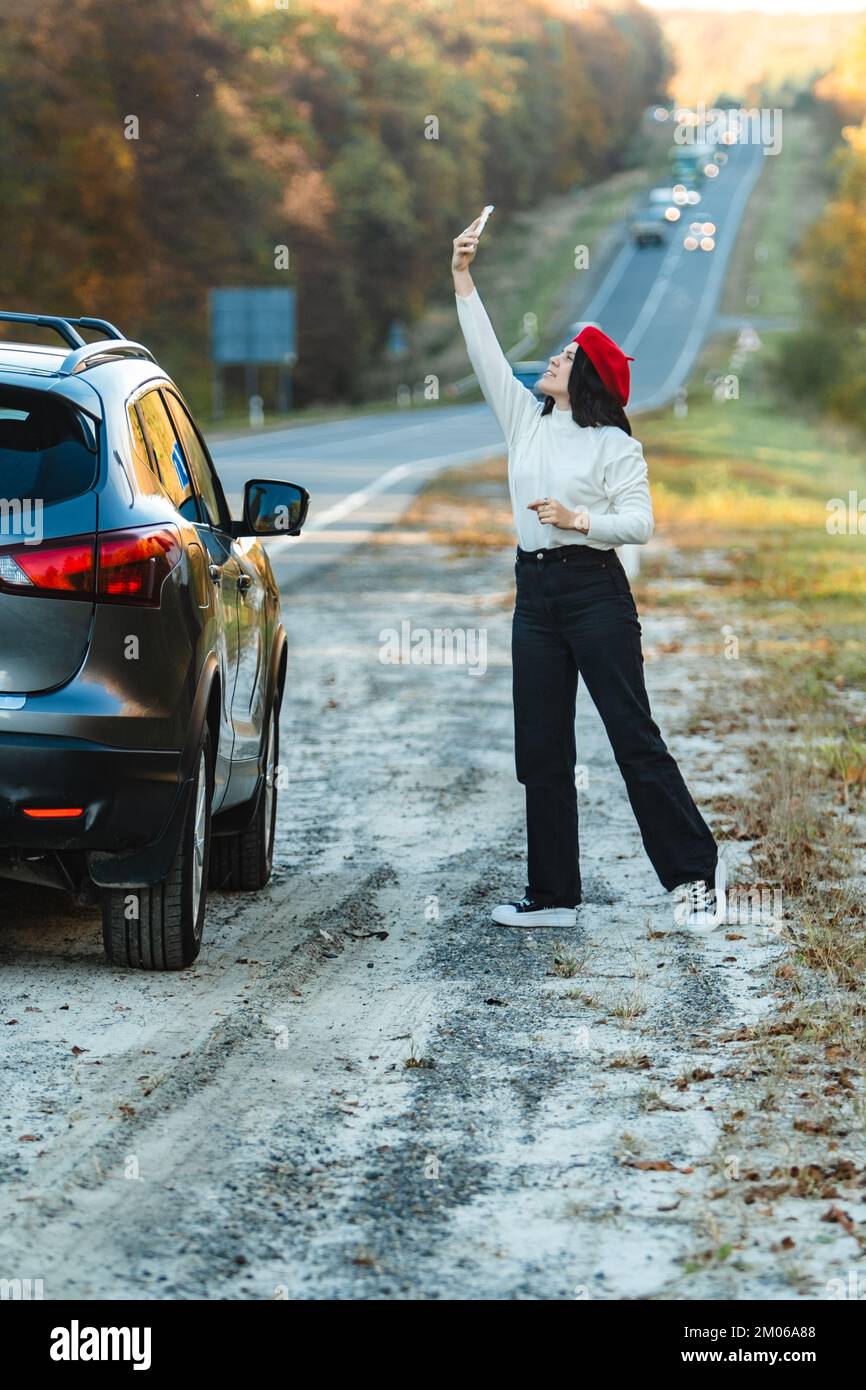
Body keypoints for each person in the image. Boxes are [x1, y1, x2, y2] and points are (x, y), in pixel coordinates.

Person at [451, 213, 726, 930]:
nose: (552, 359)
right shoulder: (525, 420)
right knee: (540, 749)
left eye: (568, 357)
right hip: (534, 594)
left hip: (595, 593)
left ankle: (693, 880)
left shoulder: (613, 447)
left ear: (590, 378)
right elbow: (485, 354)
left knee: (633, 739)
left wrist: (579, 521)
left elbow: (638, 523)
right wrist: (463, 278)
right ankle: (553, 897)